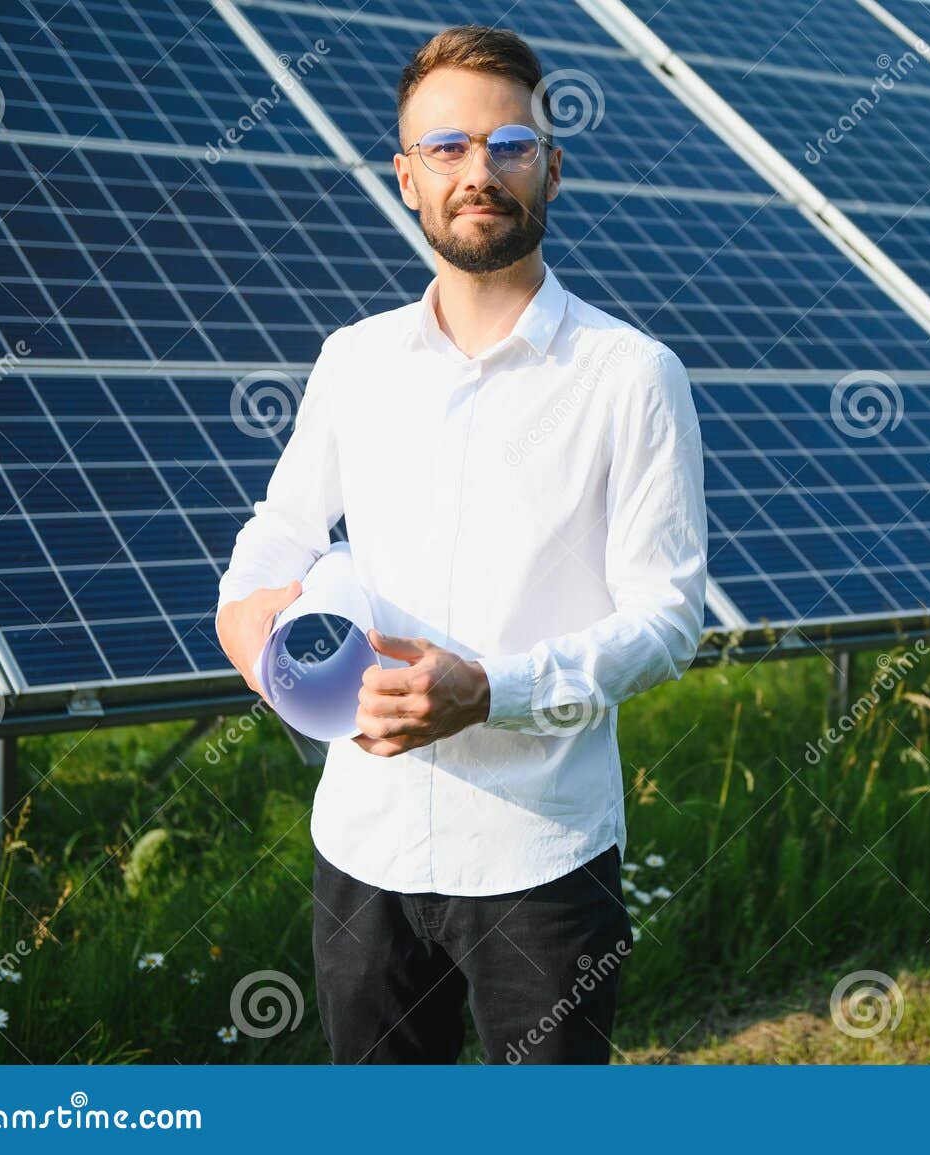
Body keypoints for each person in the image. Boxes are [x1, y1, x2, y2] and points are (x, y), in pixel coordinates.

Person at [213, 24, 708, 1064]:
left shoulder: (630, 375)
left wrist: (490, 689)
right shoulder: (355, 362)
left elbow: (668, 620)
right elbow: (278, 538)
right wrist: (262, 644)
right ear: (407, 176)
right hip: (363, 846)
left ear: (551, 168)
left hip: (543, 858)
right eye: (446, 148)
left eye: (507, 145)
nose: (477, 172)